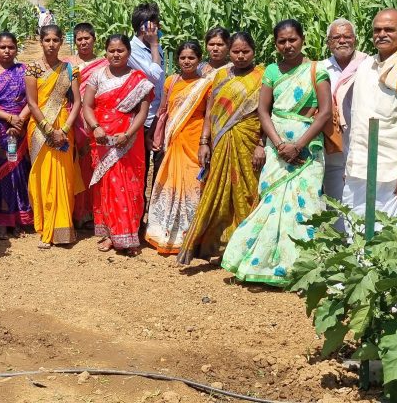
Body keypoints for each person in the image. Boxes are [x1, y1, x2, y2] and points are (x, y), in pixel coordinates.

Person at [222, 19, 332, 286]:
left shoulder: (317, 70)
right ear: (275, 44)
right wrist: (279, 144)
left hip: (307, 151)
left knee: (304, 205)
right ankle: (261, 264)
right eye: (282, 41)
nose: (287, 45)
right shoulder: (272, 71)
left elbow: (325, 112)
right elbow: (263, 110)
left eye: (292, 39)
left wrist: (299, 145)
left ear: (303, 40)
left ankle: (302, 269)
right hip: (277, 146)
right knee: (272, 203)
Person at [177, 33, 266, 265]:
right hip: (220, 142)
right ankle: (212, 244)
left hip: (248, 142)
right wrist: (204, 142)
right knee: (217, 190)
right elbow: (210, 112)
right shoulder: (221, 77)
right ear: (230, 53)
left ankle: (246, 248)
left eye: (245, 51)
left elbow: (267, 114)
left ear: (253, 52)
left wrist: (261, 144)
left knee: (247, 191)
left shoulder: (262, 77)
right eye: (236, 52)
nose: (240, 56)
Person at [341, 10, 397, 230]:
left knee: (388, 233)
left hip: (391, 168)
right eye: (377, 30)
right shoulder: (366, 64)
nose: (381, 34)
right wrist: (350, 163)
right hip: (358, 164)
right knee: (354, 227)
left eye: (389, 29)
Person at [83, 35, 154, 255]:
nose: (116, 54)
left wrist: (128, 133)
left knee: (129, 185)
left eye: (121, 50)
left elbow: (142, 112)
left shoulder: (139, 79)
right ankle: (111, 235)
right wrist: (95, 127)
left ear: (128, 53)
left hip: (129, 140)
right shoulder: (97, 77)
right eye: (112, 51)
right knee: (107, 186)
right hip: (103, 139)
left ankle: (129, 236)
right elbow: (87, 105)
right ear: (105, 53)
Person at [146, 41, 213, 255]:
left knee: (193, 186)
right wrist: (155, 134)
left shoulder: (205, 84)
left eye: (191, 58)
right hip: (174, 140)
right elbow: (163, 110)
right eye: (183, 57)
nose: (186, 61)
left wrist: (205, 142)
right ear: (177, 60)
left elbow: (209, 115)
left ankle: (192, 238)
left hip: (195, 142)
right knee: (171, 184)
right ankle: (168, 234)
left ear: (199, 59)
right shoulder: (171, 81)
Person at [25, 25, 82, 248]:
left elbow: (77, 101)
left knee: (63, 177)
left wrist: (64, 130)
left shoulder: (70, 69)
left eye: (55, 40)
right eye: (47, 40)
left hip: (65, 126)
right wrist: (49, 130)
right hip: (40, 128)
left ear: (61, 42)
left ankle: (63, 228)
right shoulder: (32, 69)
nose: (51, 44)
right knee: (42, 177)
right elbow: (31, 102)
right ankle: (45, 228)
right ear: (41, 42)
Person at [0, 32, 33, 239]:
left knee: (17, 173)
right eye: (2, 47)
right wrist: (9, 118)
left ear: (16, 49)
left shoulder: (24, 71)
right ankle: (0, 221)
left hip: (19, 129)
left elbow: (32, 100)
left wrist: (19, 121)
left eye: (11, 47)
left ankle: (17, 218)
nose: (7, 51)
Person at [320, 18, 368, 202]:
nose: (342, 41)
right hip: (333, 148)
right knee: (335, 205)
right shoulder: (320, 69)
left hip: (362, 146)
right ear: (328, 42)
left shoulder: (369, 65)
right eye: (336, 37)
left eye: (347, 36)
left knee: (361, 204)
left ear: (355, 39)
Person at [68, 22, 106, 228]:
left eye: (87, 38)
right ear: (75, 42)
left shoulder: (103, 64)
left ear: (94, 39)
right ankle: (72, 211)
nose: (84, 42)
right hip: (71, 118)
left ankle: (89, 212)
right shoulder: (68, 63)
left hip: (92, 119)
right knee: (72, 162)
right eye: (79, 39)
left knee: (90, 164)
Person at [126, 3, 166, 189]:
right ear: (145, 26)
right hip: (140, 118)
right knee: (139, 171)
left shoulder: (156, 48)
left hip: (159, 116)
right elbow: (154, 76)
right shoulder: (130, 50)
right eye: (155, 24)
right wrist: (155, 44)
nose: (158, 28)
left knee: (160, 168)